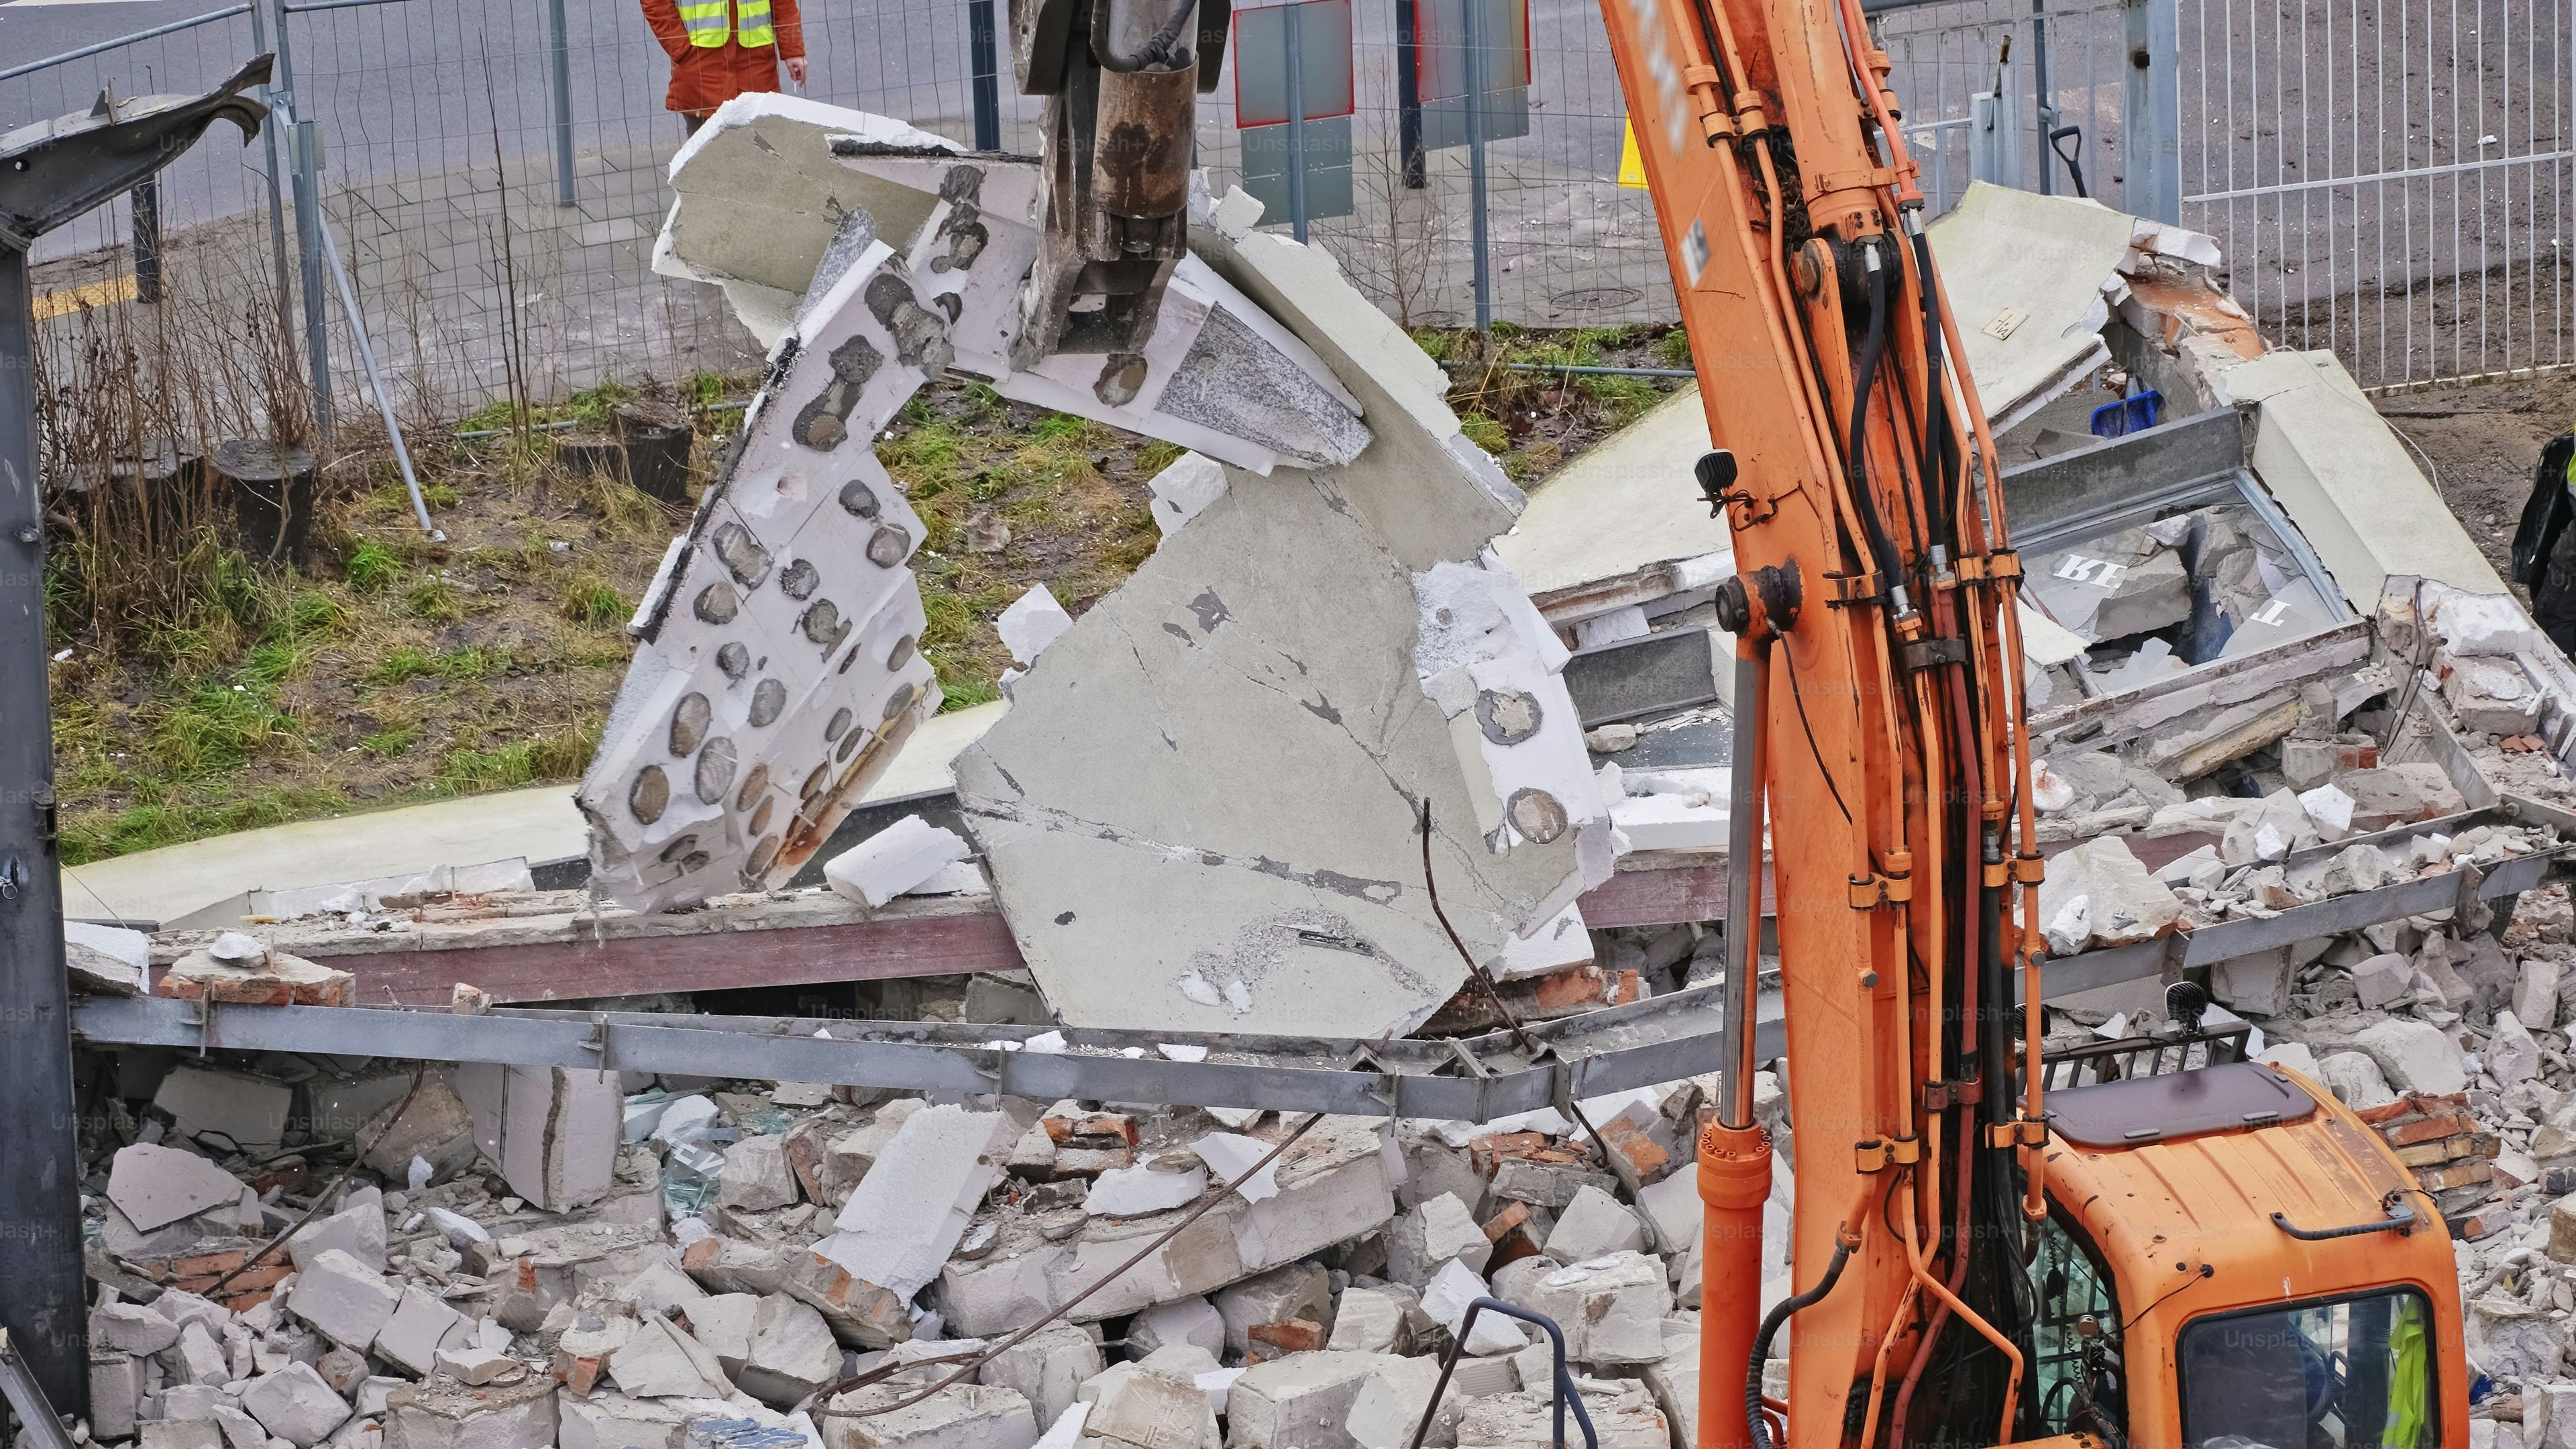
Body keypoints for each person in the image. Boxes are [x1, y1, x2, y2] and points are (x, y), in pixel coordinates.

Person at [641, 0, 806, 136]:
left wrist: (793, 50)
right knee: (705, 157)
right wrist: (680, 47)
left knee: (762, 149)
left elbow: (784, 4)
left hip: (756, 65)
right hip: (702, 66)